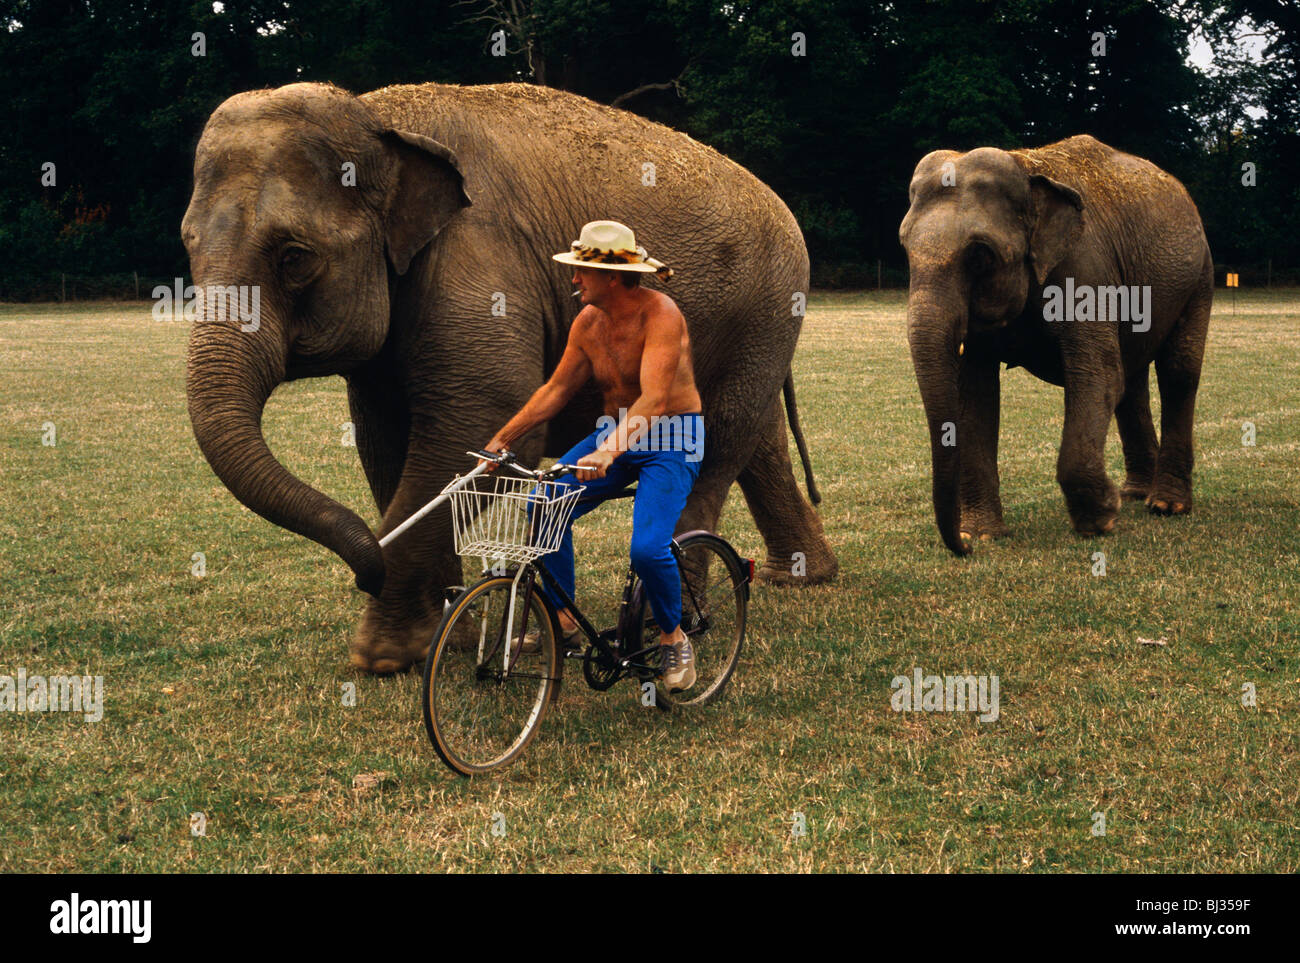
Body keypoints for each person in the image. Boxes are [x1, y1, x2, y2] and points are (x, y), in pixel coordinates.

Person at [483, 221, 704, 690]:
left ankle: (672, 636)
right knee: (544, 503)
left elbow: (655, 400)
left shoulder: (662, 315)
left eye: (582, 271)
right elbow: (557, 389)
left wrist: (609, 450)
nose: (574, 279)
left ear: (613, 277)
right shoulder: (587, 322)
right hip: (615, 436)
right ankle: (562, 621)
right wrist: (503, 438)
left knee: (647, 548)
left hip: (672, 436)